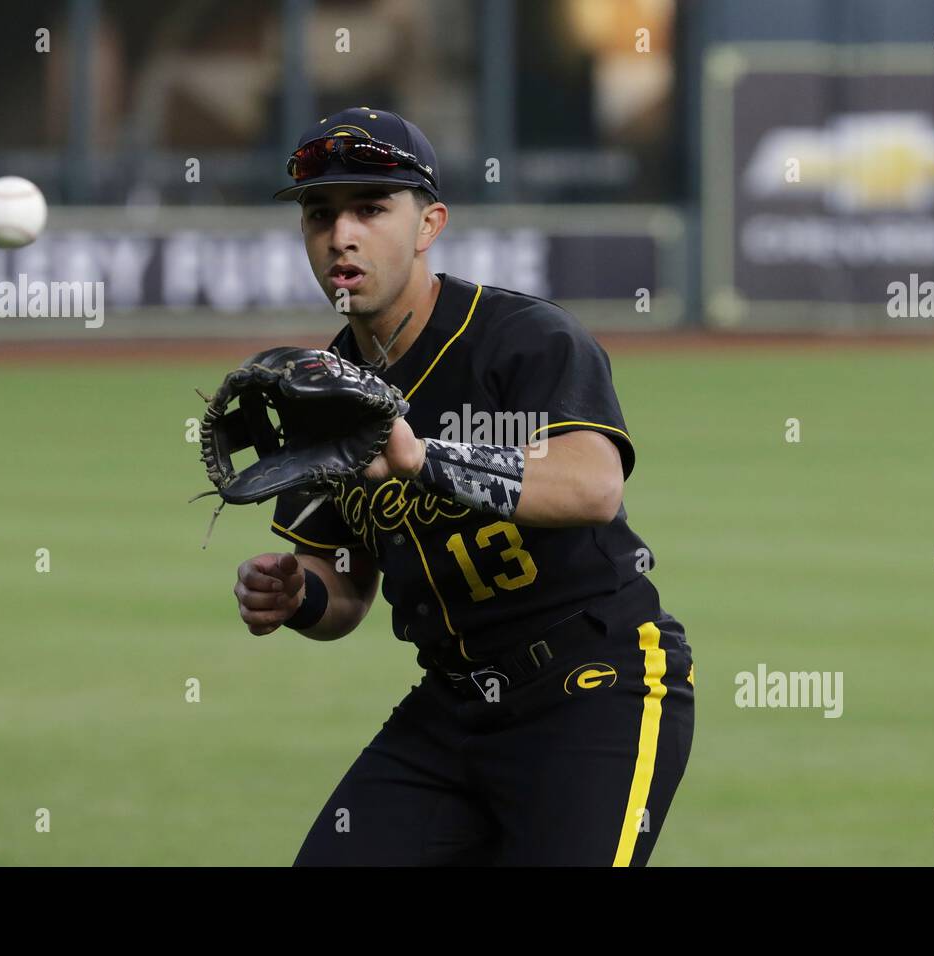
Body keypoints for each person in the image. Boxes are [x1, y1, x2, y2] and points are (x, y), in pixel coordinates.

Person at [234, 106, 694, 865]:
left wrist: (426, 459)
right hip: (449, 708)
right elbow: (343, 587)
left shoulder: (521, 340)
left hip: (597, 691)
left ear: (429, 224)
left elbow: (591, 486)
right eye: (320, 214)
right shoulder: (321, 393)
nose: (341, 234)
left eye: (371, 209)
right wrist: (296, 593)